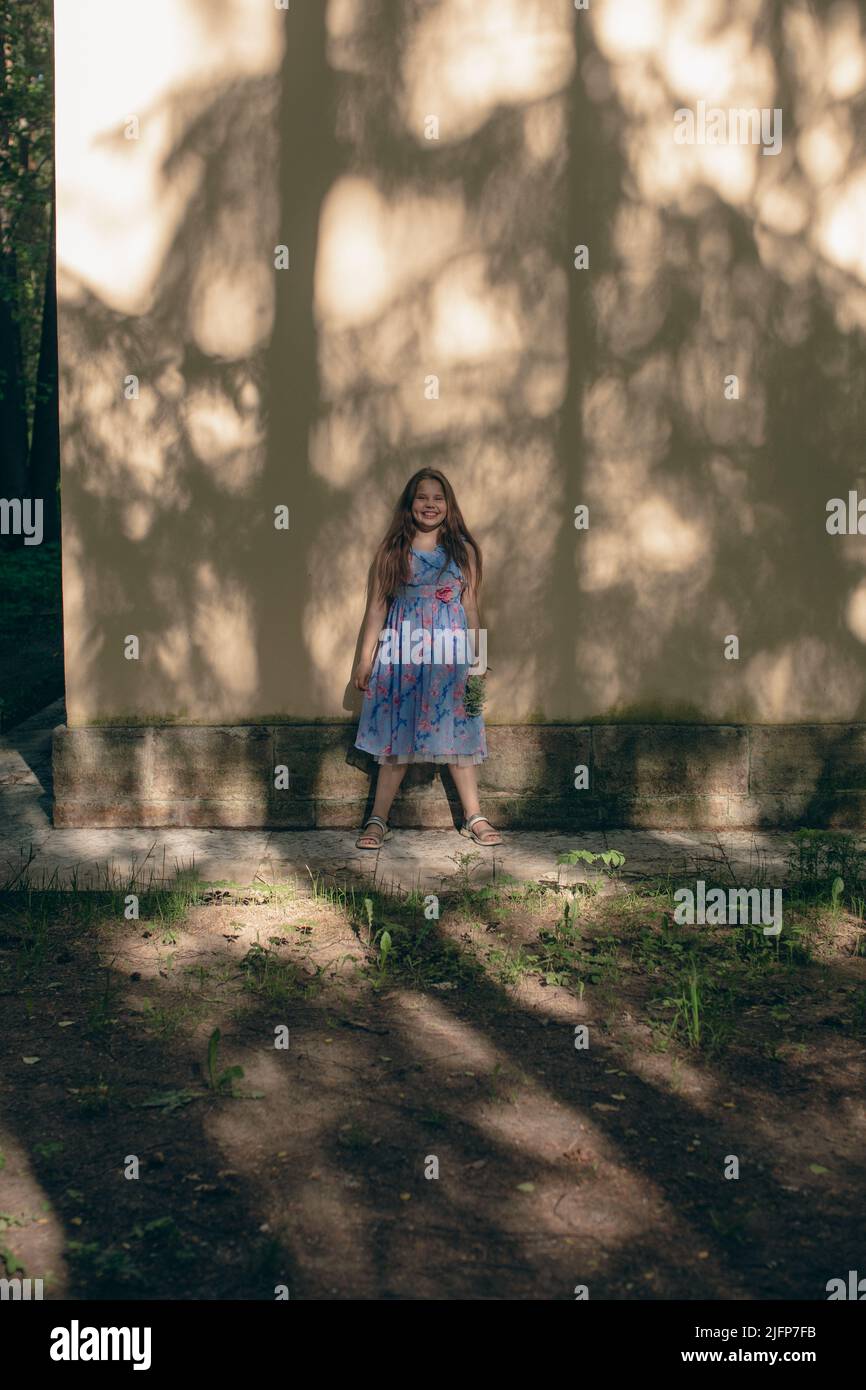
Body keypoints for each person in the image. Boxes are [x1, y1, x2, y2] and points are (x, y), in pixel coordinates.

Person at [353, 468, 502, 850]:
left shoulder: (461, 552)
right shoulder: (393, 551)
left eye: (438, 498)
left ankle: (474, 816)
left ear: (448, 505)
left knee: (459, 735)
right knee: (395, 738)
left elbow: (470, 610)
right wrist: (365, 660)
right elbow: (375, 609)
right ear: (410, 504)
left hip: (450, 657)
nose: (430, 505)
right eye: (422, 497)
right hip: (402, 654)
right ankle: (378, 819)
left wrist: (478, 662)